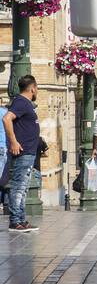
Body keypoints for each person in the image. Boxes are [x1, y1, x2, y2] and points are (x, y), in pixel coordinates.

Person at [3, 75, 41, 232]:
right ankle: (15, 221)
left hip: (29, 151)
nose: (37, 91)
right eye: (36, 88)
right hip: (23, 151)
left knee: (23, 187)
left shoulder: (26, 104)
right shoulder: (21, 102)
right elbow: (7, 119)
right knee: (19, 186)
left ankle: (21, 219)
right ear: (32, 88)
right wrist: (13, 142)